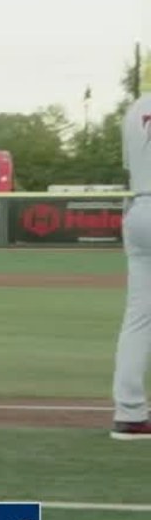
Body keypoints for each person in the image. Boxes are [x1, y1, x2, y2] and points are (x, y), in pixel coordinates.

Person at [109, 91, 151, 439]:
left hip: (140, 207)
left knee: (139, 317)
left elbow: (129, 167)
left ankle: (130, 412)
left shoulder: (137, 107)